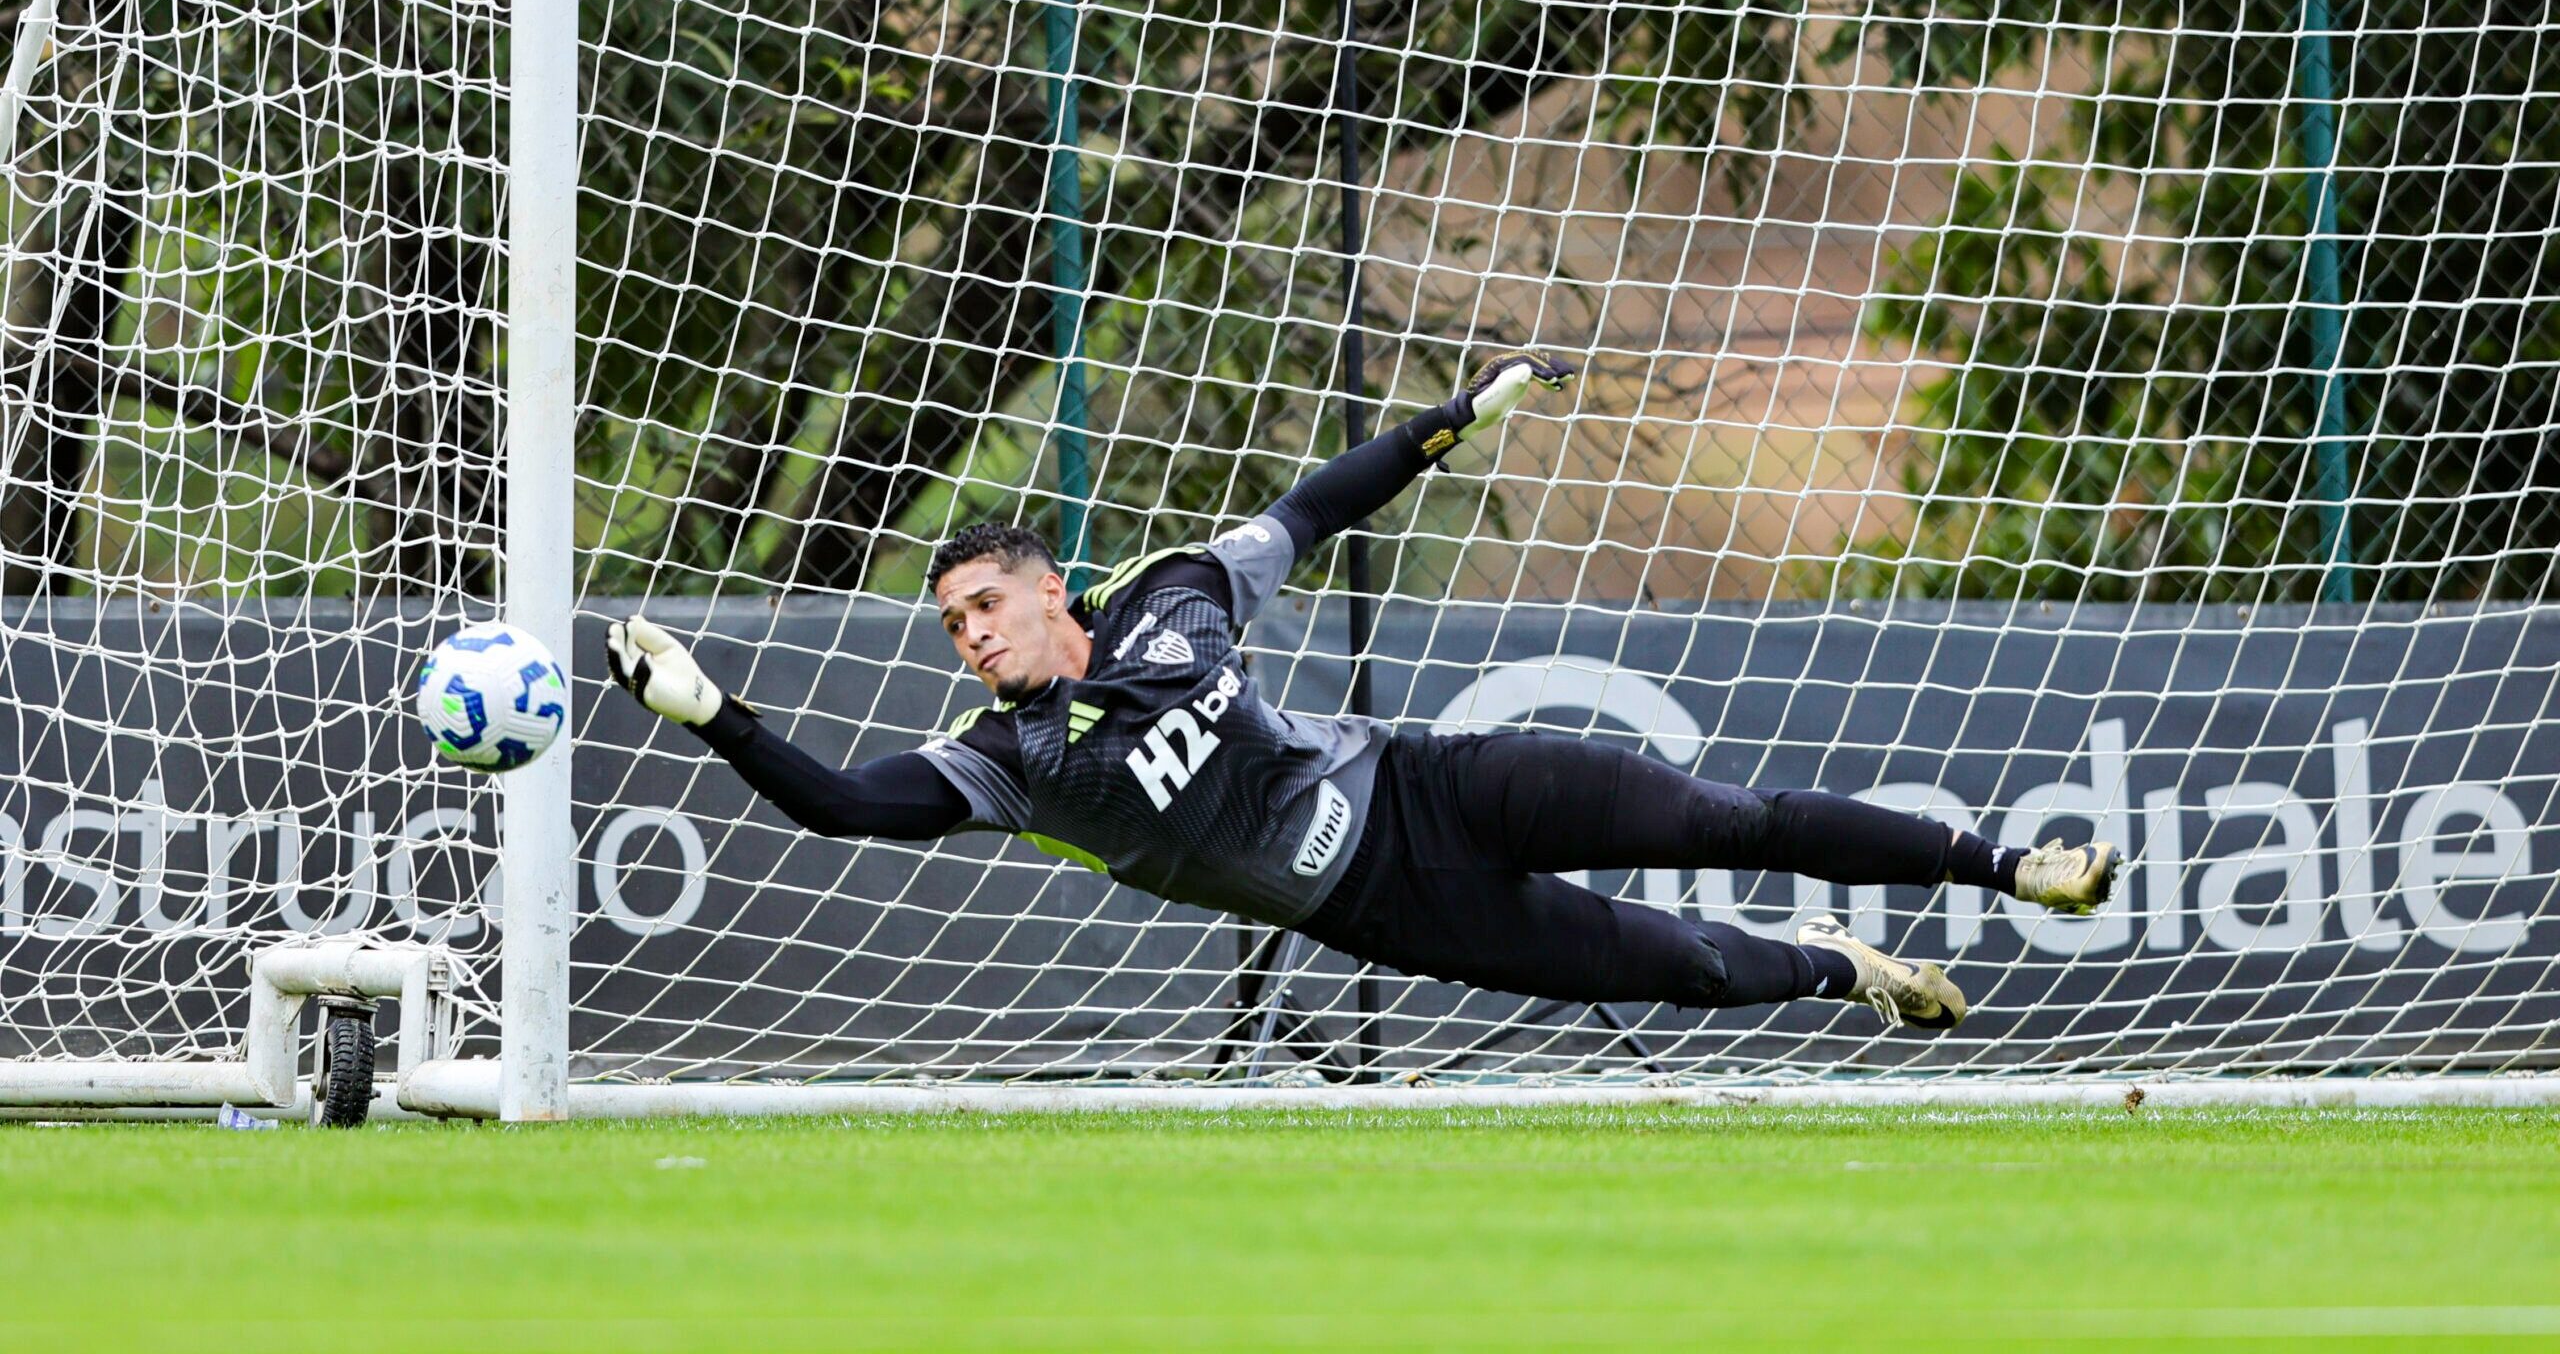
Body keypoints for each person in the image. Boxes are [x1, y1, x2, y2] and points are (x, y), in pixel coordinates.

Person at [608, 351, 2121, 1028]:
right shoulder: (1001, 762)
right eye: (950, 625)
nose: (970, 636)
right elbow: (837, 809)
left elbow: (1313, 509)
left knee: (1730, 813)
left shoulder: (1172, 593)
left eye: (985, 605)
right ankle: (1844, 971)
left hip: (1428, 781)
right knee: (1691, 966)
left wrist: (1444, 428)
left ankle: (2011, 867)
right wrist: (713, 713)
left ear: (1051, 587)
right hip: (1387, 906)